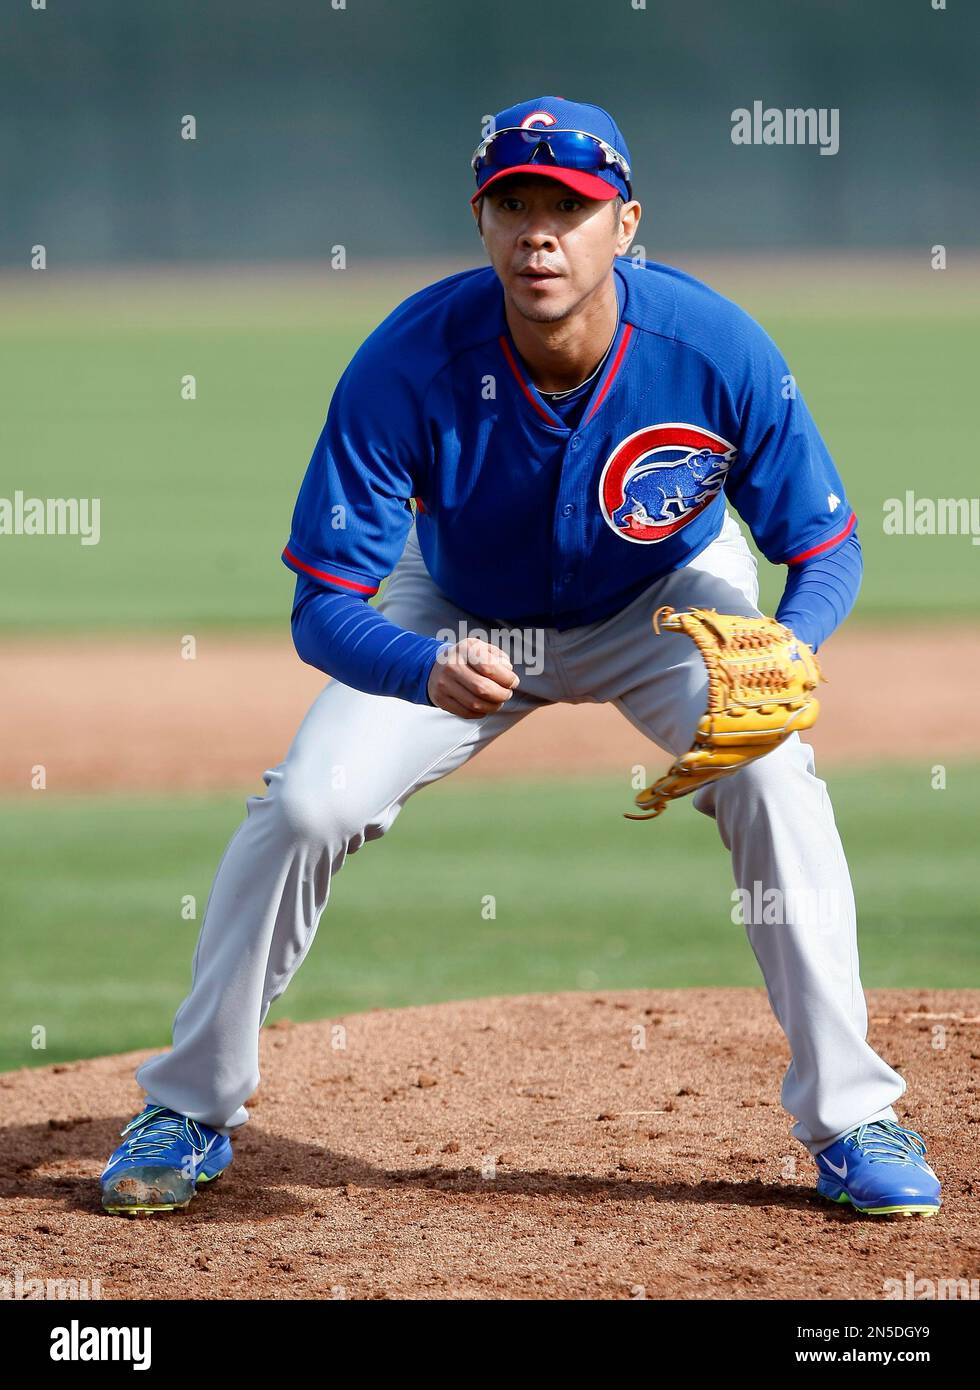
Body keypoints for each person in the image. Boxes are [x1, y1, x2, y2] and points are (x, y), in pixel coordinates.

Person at [100, 96, 940, 1220]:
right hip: (459, 614)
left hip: (664, 607)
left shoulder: (713, 348)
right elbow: (320, 606)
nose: (539, 234)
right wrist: (417, 668)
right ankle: (189, 1103)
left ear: (624, 224)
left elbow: (823, 544)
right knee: (305, 804)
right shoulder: (408, 359)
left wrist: (790, 643)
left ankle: (851, 1117)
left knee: (771, 770)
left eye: (570, 209)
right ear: (482, 222)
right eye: (514, 206)